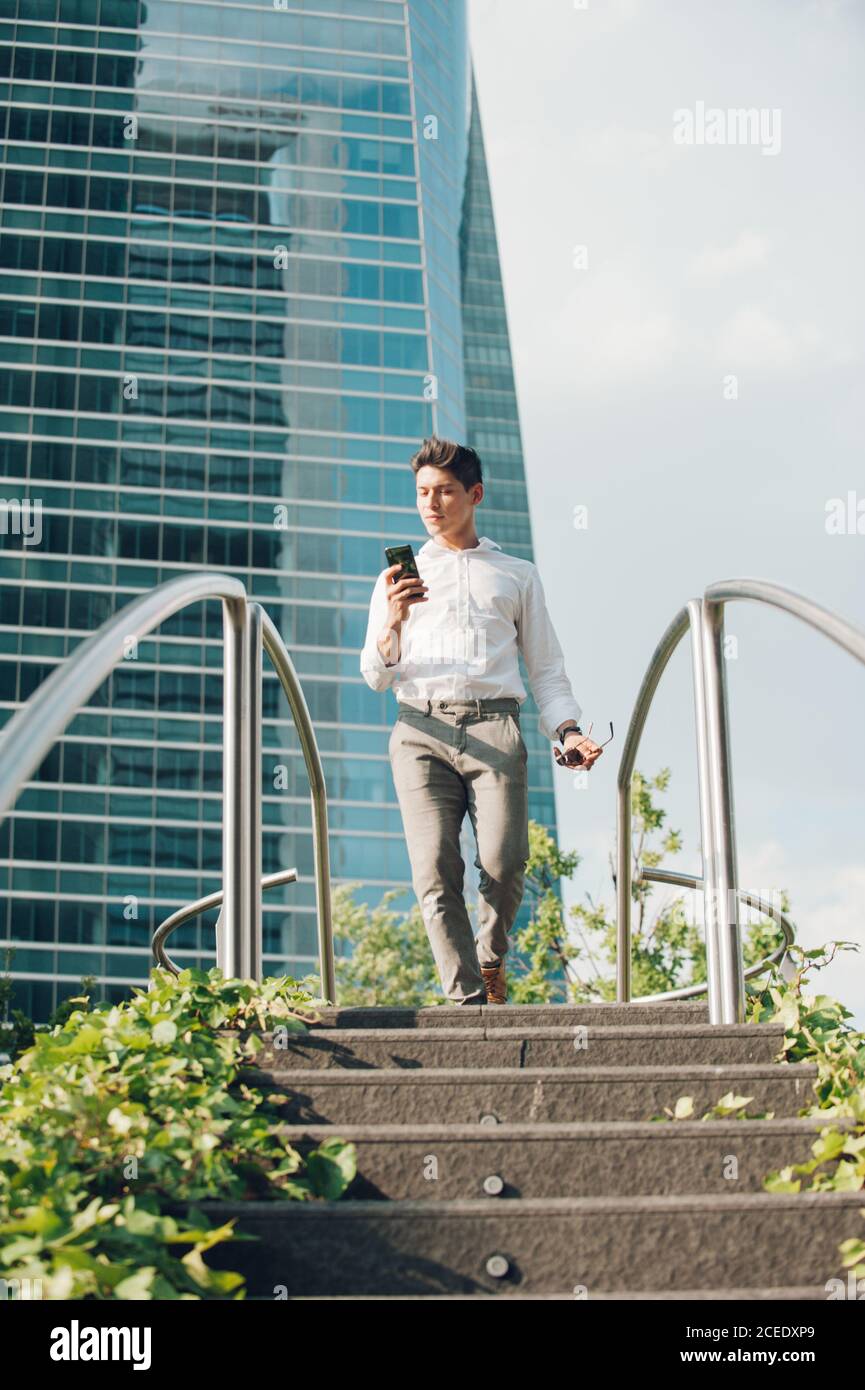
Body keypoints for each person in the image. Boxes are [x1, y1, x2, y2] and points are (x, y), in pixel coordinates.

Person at [360, 436, 603, 1006]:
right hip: (419, 727)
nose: (431, 504)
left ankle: (490, 956)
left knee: (504, 860)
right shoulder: (397, 578)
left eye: (444, 491)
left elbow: (546, 669)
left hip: (496, 725)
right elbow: (375, 674)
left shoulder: (516, 575)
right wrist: (393, 621)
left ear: (475, 494)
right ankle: (466, 999)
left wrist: (567, 731)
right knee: (436, 867)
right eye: (422, 492)